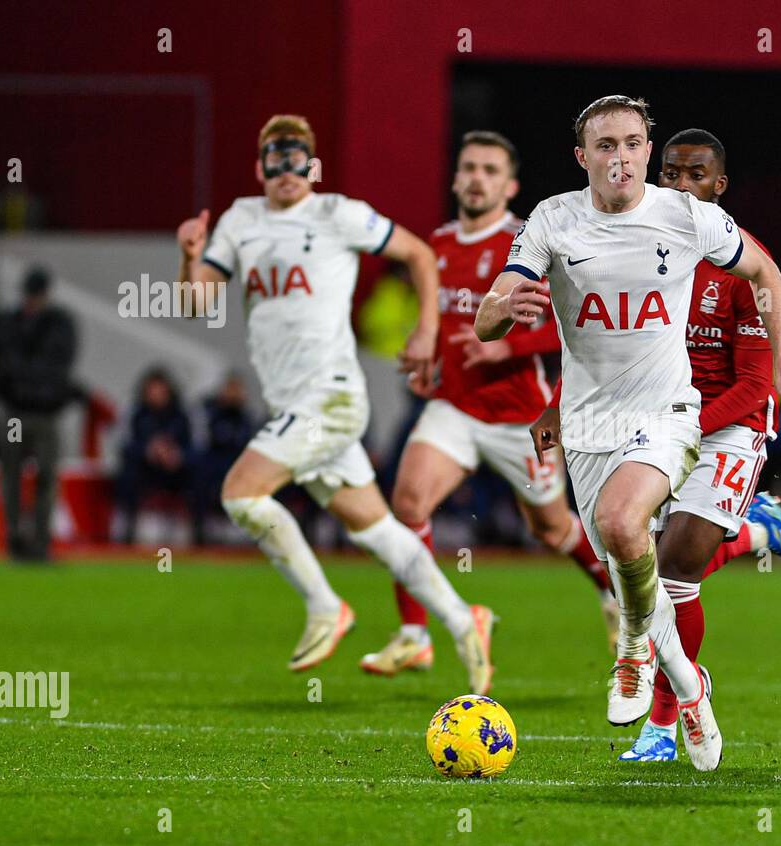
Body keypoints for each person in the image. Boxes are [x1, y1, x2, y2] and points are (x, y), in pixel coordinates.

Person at [477, 95, 781, 772]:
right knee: (635, 561)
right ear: (584, 158)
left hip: (669, 415)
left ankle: (636, 653)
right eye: (606, 145)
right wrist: (500, 309)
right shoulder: (553, 218)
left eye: (633, 143)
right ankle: (691, 691)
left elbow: (767, 274)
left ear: (645, 150)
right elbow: (496, 311)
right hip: (588, 426)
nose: (622, 158)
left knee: (629, 529)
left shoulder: (688, 219)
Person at [176, 114, 493, 684]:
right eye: (275, 157)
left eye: (297, 156)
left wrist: (426, 330)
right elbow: (197, 303)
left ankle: (325, 605)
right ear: (259, 166)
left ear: (312, 166)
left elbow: (420, 255)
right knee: (375, 529)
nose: (286, 169)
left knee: (242, 494)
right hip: (293, 405)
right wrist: (188, 256)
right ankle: (462, 617)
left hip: (332, 400)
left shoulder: (338, 213)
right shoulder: (240, 220)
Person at [359, 130, 620, 677]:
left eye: (490, 170)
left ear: (510, 185)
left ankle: (608, 589)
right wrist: (422, 345)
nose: (477, 178)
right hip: (454, 406)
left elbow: (579, 325)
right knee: (407, 504)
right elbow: (440, 321)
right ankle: (413, 634)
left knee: (550, 528)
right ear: (456, 178)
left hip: (518, 414)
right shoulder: (436, 246)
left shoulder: (532, 242)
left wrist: (510, 345)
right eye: (469, 167)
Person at [618, 127, 781, 762]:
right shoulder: (637, 249)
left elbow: (756, 383)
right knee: (639, 565)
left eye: (694, 174)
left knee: (674, 575)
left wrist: (684, 428)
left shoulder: (740, 264)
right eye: (669, 172)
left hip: (731, 425)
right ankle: (756, 531)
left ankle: (667, 719)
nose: (678, 185)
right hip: (662, 421)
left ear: (719, 185)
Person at [0, 267, 79, 561]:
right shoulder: (10, 323)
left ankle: (41, 542)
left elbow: (55, 366)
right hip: (16, 414)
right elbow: (1, 364)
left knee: (46, 476)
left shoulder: (58, 324)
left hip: (45, 414)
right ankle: (14, 536)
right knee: (12, 473)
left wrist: (24, 376)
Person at [115, 367, 192, 543]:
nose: (156, 395)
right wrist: (147, 451)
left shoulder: (182, 415)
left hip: (175, 470)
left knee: (199, 474)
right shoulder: (134, 413)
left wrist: (177, 455)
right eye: (152, 390)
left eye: (160, 390)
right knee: (128, 476)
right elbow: (123, 445)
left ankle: (198, 533)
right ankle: (127, 530)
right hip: (145, 469)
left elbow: (196, 447)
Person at [190, 371, 255, 545]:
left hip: (237, 467)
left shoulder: (246, 418)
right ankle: (200, 531)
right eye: (230, 389)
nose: (234, 394)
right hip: (212, 466)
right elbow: (201, 444)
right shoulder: (209, 413)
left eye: (237, 389)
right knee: (199, 477)